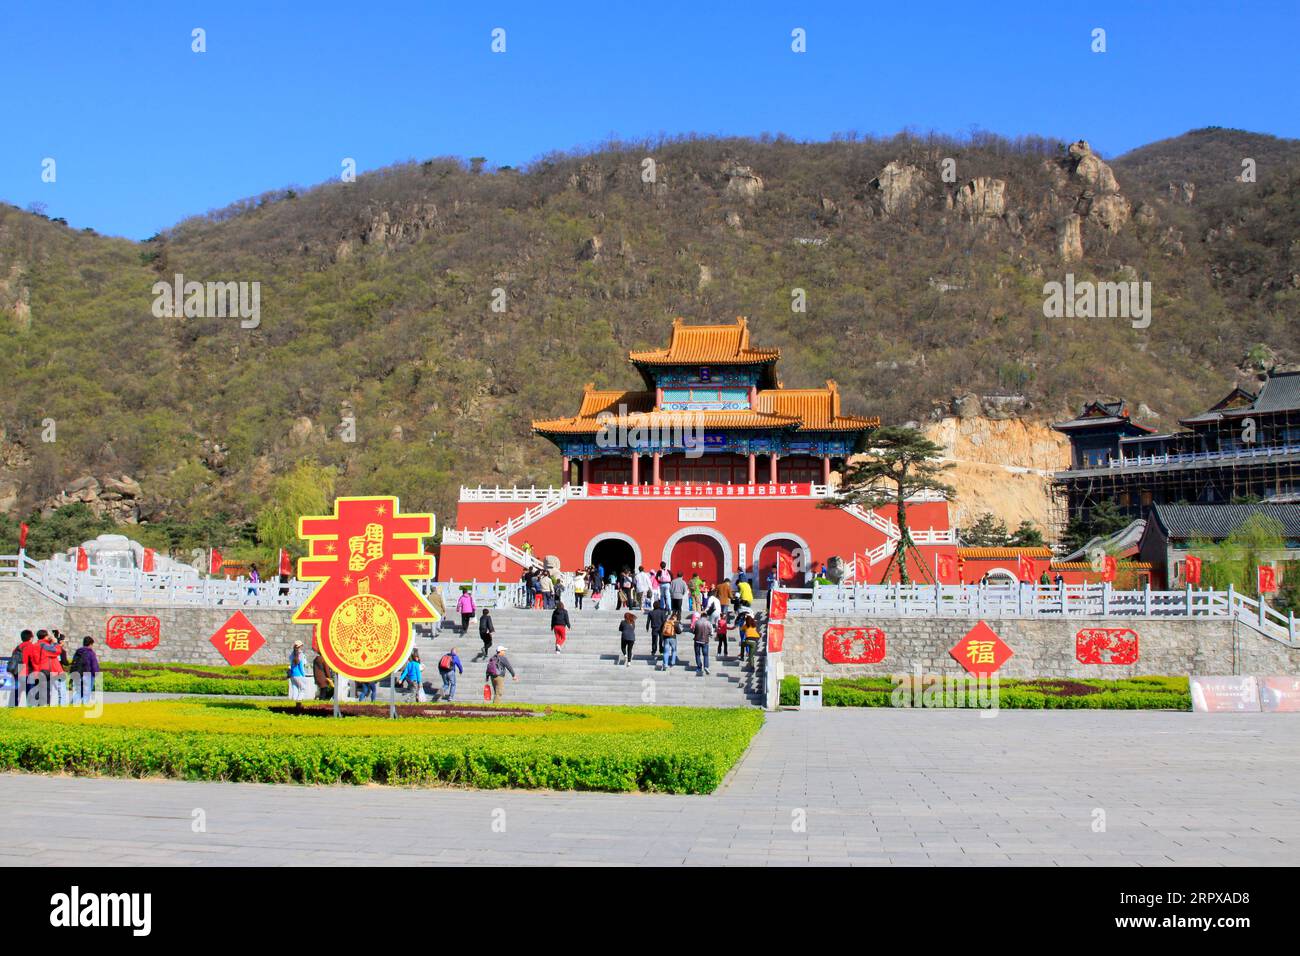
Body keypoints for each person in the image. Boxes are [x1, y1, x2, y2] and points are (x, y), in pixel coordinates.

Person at [38, 630, 66, 706]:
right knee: (60, 691)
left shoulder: (39, 645)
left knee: (48, 691)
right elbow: (57, 651)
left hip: (44, 671)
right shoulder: (45, 646)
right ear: (46, 636)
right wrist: (55, 642)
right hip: (54, 671)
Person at [69, 636, 100, 705]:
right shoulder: (91, 653)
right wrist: (96, 674)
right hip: (87, 674)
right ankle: (84, 705)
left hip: (77, 673)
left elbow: (73, 663)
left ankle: (74, 704)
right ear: (91, 644)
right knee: (87, 691)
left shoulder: (78, 652)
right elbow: (94, 665)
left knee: (78, 691)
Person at [20, 630, 42, 705]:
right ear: (31, 638)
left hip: (19, 672)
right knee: (30, 693)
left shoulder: (18, 647)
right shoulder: (30, 646)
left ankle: (13, 708)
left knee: (18, 693)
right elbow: (34, 661)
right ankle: (30, 708)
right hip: (28, 673)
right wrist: (37, 673)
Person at [288, 640, 308, 705]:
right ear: (300, 646)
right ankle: (299, 701)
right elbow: (301, 667)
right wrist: (304, 675)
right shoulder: (301, 655)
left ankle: (293, 702)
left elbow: (291, 664)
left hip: (292, 675)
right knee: (303, 689)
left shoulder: (292, 655)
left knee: (295, 689)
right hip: (299, 675)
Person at [692, 612, 712, 676]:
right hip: (705, 641)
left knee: (697, 654)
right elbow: (711, 632)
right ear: (706, 617)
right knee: (705, 655)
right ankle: (706, 666)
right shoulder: (708, 623)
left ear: (701, 616)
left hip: (697, 640)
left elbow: (694, 631)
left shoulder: (697, 622)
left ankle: (699, 667)